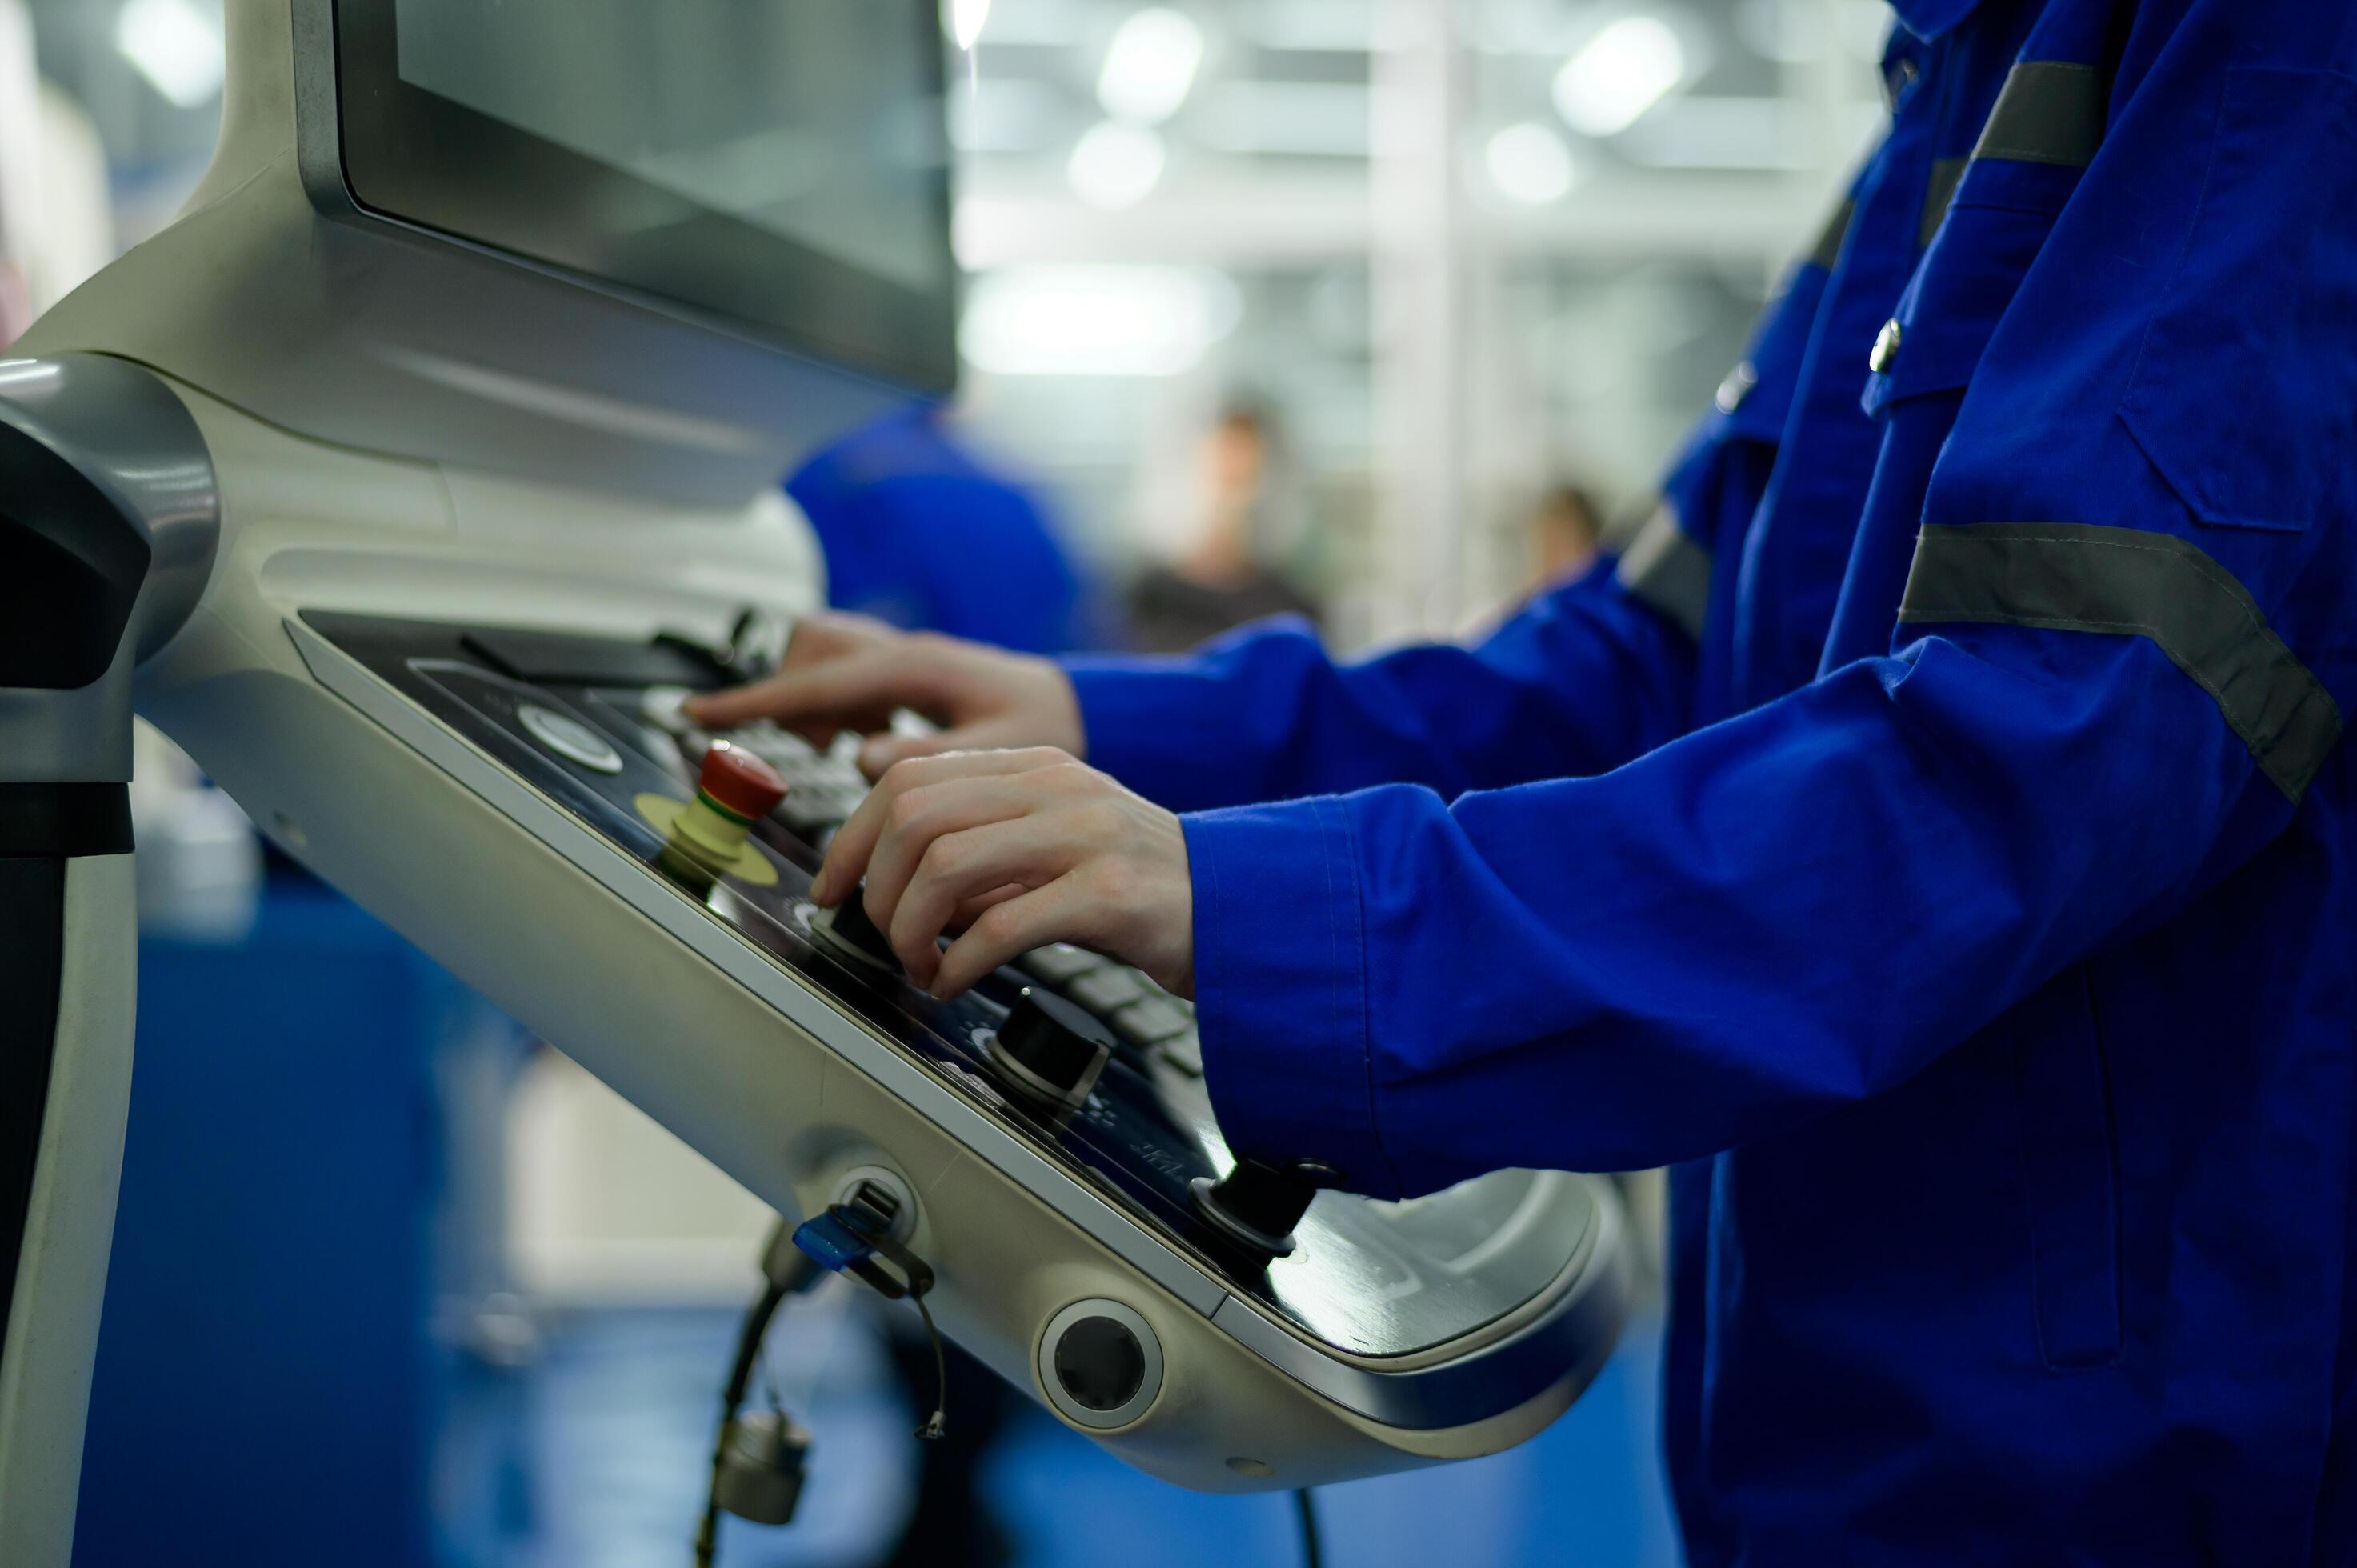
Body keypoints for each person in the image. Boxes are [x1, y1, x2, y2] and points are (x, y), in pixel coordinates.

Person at [690, 0, 2357, 1558]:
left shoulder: (2261, 53)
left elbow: (2047, 751)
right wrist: (1091, 722)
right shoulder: (1960, 85)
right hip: (1857, 1430)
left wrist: (1267, 905)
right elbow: (1633, 668)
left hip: (2141, 1463)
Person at [789, 402, 1094, 656]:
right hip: (1005, 710)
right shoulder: (1012, 491)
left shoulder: (827, 469)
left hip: (888, 702)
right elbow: (1068, 630)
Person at [1124, 400, 1323, 654]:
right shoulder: (1149, 600)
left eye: (1245, 473)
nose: (1230, 489)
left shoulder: (1289, 613)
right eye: (1223, 469)